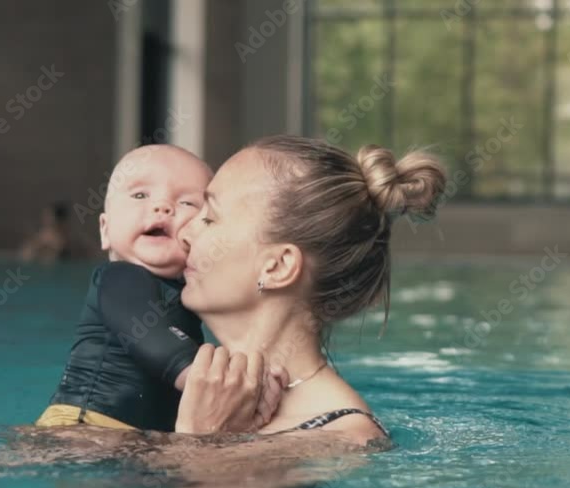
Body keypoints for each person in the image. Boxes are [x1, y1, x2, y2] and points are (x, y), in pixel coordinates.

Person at [172, 135, 446, 446]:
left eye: (209, 218)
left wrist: (201, 434)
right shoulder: (185, 381)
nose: (183, 233)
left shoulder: (342, 441)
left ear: (277, 266)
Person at [34, 144, 286, 432]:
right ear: (106, 230)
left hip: (133, 440)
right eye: (140, 195)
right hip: (81, 428)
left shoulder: (191, 292)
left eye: (187, 204)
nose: (162, 206)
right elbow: (148, 334)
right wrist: (228, 384)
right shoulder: (120, 278)